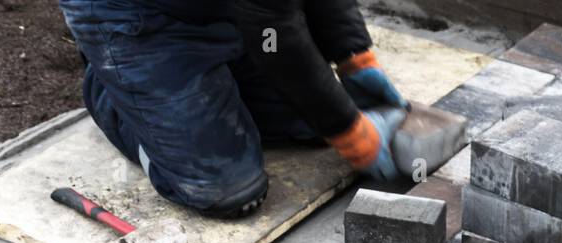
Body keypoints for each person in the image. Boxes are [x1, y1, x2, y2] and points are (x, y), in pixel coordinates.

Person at [57, 0, 408, 218]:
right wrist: (349, 132)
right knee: (226, 191)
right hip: (133, 15)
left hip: (222, 9)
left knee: (313, 120)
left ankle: (212, 75)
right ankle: (114, 80)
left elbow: (271, 24)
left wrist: (353, 54)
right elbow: (270, 24)